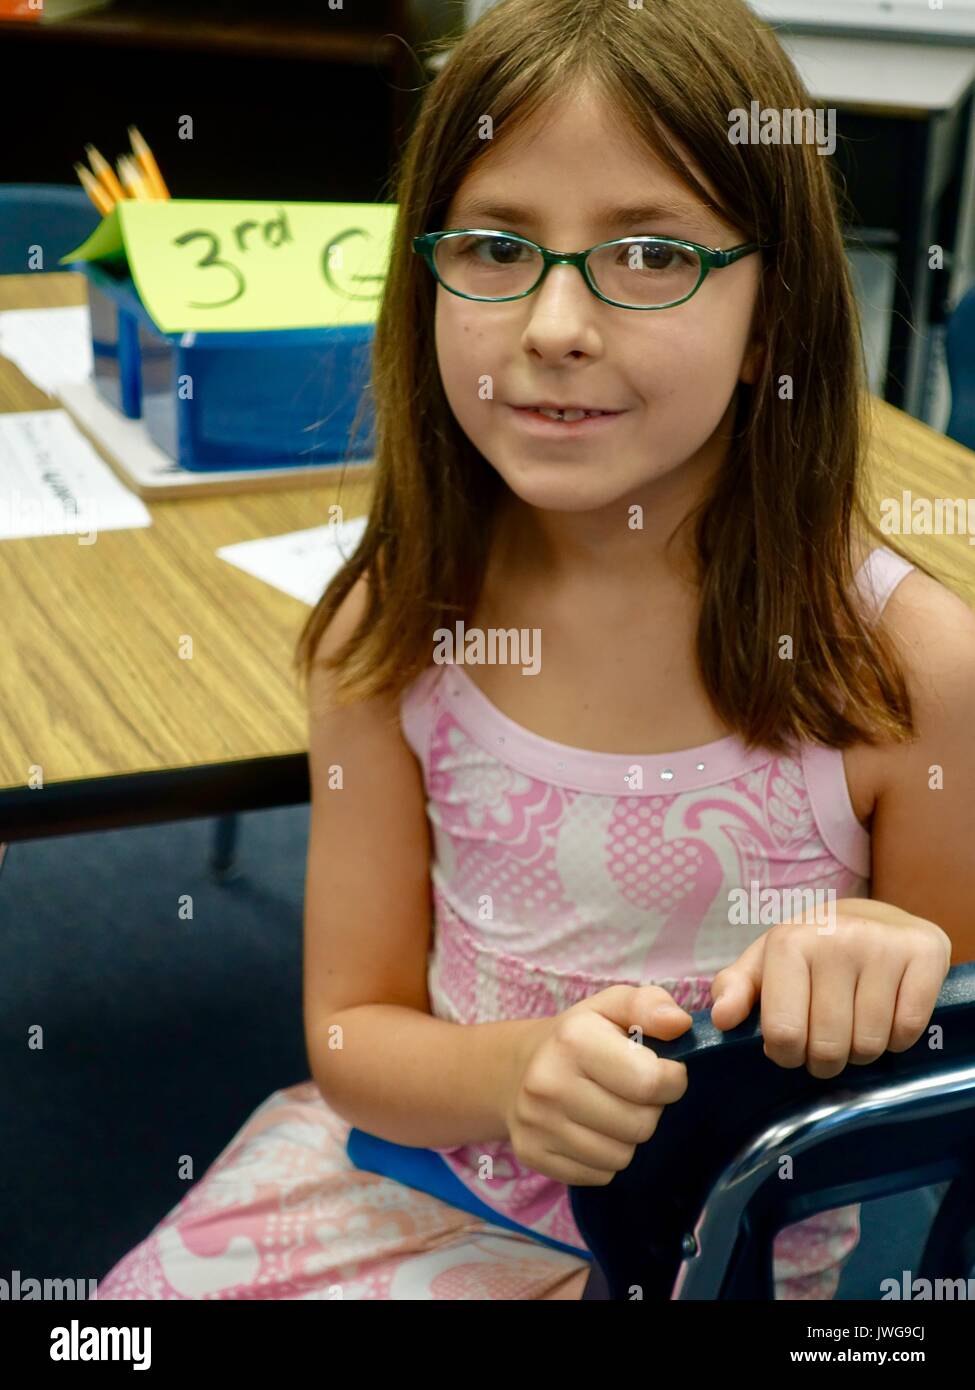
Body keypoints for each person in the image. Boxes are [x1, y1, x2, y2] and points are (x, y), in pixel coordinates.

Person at [96, 0, 972, 1301]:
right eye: (499, 247)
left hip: (706, 1247)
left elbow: (950, 1033)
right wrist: (519, 1074)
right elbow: (352, 1034)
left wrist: (887, 970)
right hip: (424, 1170)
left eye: (651, 256)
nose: (556, 321)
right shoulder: (386, 632)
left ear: (773, 320)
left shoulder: (911, 669)